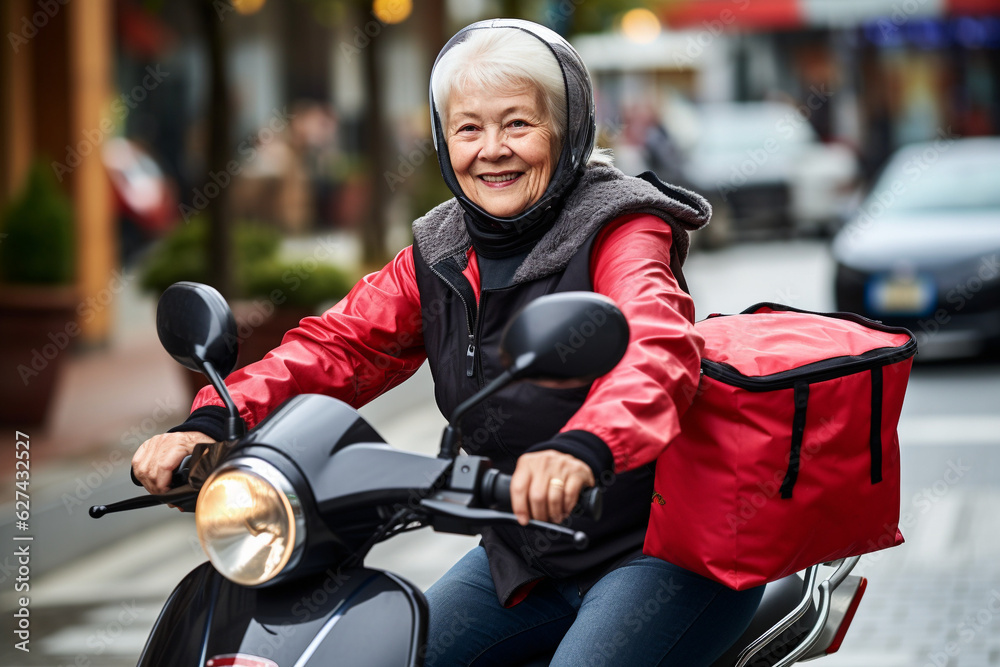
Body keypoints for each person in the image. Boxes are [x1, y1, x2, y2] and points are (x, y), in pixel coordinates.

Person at [132, 19, 764, 666]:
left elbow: (654, 344)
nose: (492, 149)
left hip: (662, 550)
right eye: (468, 128)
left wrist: (584, 446)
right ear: (443, 140)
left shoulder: (620, 228)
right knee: (395, 656)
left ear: (569, 129)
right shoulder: (443, 247)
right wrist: (215, 419)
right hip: (526, 555)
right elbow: (341, 345)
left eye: (518, 123)